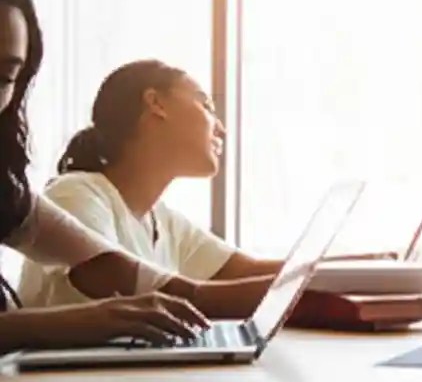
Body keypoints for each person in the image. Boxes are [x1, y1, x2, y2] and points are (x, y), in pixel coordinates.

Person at [0, 0, 262, 352]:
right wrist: (79, 321)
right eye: (205, 104)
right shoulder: (79, 192)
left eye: (4, 78)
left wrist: (350, 281)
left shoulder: (9, 193)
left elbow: (118, 272)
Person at [18, 60, 285, 309]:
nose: (221, 129)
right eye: (206, 105)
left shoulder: (164, 222)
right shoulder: (75, 193)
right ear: (156, 103)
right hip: (74, 361)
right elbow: (110, 278)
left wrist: (321, 269)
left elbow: (255, 272)